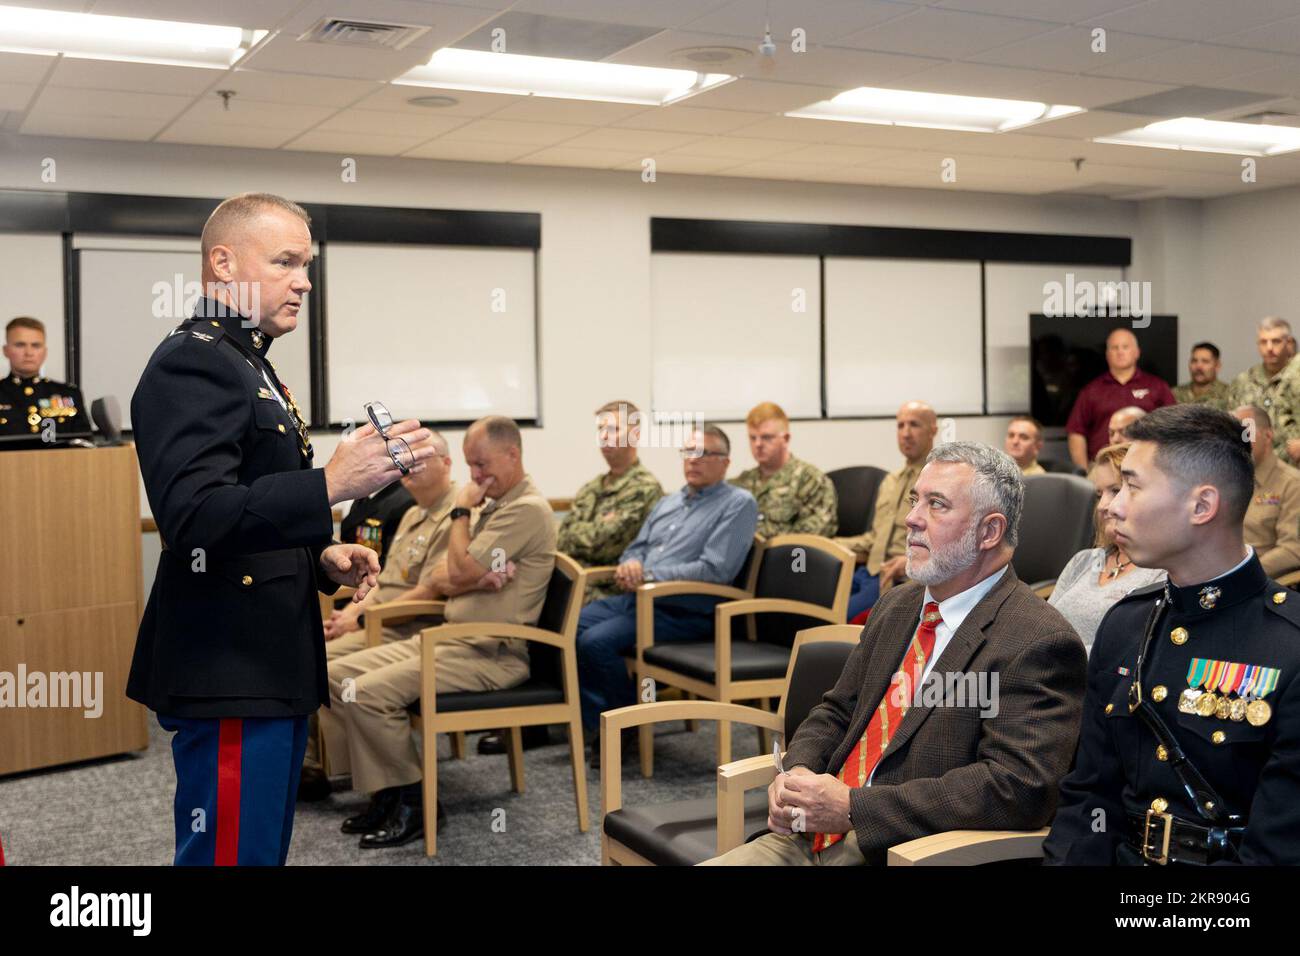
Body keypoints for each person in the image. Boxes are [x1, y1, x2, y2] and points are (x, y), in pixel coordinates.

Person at [127, 192, 435, 866]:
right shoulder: (196, 360)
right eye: (286, 262)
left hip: (269, 654)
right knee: (231, 856)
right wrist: (330, 484)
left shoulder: (249, 361)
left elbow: (246, 506)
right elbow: (194, 519)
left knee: (255, 850)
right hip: (230, 660)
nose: (304, 280)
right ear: (223, 262)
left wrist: (321, 555)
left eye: (308, 264)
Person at [701, 442, 1087, 865]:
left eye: (936, 505)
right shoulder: (898, 606)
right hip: (809, 835)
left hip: (908, 852)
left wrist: (853, 807)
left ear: (989, 531)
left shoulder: (1037, 640)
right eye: (914, 499)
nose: (912, 518)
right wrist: (797, 773)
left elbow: (1015, 788)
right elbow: (837, 711)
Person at [1044, 404, 1300, 865]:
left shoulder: (1289, 644)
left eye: (1132, 487)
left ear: (1202, 506)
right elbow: (1090, 802)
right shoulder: (1126, 624)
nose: (1112, 506)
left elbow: (1278, 850)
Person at [320, 416, 556, 849]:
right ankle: (388, 793)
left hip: (489, 653)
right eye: (471, 466)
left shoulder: (525, 508)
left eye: (482, 465)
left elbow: (459, 569)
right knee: (338, 680)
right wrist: (472, 571)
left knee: (364, 691)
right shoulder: (498, 505)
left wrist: (463, 516)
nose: (476, 477)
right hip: (451, 639)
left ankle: (416, 804)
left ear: (513, 454)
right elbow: (448, 575)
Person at [575, 424, 756, 765]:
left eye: (703, 453)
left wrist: (649, 574)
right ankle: (621, 714)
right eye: (688, 452)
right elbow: (636, 547)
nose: (693, 460)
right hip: (640, 600)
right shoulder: (668, 502)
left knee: (595, 641)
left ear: (726, 462)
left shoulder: (738, 503)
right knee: (573, 624)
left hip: (686, 609)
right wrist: (631, 562)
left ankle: (622, 726)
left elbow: (715, 569)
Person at [299, 431, 456, 798]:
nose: (409, 468)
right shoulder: (416, 512)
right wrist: (352, 612)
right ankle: (339, 772)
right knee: (309, 657)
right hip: (384, 620)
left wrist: (361, 617)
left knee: (332, 673)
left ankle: (374, 784)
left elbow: (429, 590)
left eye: (421, 460)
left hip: (412, 626)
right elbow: (383, 580)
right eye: (407, 460)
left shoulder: (457, 514)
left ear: (447, 464)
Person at [1048, 443, 1166, 653]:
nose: (1103, 506)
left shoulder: (1162, 571)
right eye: (1099, 494)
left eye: (1115, 491)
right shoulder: (1084, 560)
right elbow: (1043, 629)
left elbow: (1135, 653)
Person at [836, 400, 937, 619]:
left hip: (899, 578)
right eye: (900, 426)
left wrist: (912, 561)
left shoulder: (938, 483)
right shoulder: (890, 481)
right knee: (814, 606)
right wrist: (828, 544)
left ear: (933, 431)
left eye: (914, 425)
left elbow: (945, 540)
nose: (906, 433)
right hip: (867, 572)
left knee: (838, 620)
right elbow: (874, 538)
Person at [557, 399, 663, 599]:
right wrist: (591, 530)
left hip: (610, 591)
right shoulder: (591, 488)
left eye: (614, 430)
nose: (604, 436)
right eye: (601, 429)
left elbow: (603, 545)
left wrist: (577, 533)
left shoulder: (644, 487)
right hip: (573, 583)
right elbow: (562, 538)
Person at [1066, 327, 1175, 469]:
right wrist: (1085, 473)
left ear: (1137, 352)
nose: (1120, 352)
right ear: (1107, 354)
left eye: (1125, 347)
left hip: (1147, 466)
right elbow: (1076, 432)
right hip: (1103, 466)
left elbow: (1172, 428)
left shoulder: (1158, 386)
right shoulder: (1091, 390)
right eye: (1114, 348)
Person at [730, 401, 837, 538]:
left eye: (766, 437)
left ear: (786, 439)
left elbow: (814, 538)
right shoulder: (742, 483)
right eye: (752, 438)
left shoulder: (811, 481)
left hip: (789, 558)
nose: (758, 444)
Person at [1232, 405, 1300, 579]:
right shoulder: (1227, 480)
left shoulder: (1292, 484)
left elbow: (1293, 550)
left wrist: (1242, 574)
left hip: (1262, 583)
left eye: (1246, 434)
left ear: (1268, 435)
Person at [0, 316, 87, 438]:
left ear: (45, 352)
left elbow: (84, 444)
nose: (29, 353)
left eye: (36, 345)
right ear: (5, 350)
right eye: (20, 345)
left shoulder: (69, 394)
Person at [1229, 316, 1300, 464]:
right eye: (1263, 342)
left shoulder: (1296, 376)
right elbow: (1232, 423)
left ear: (1288, 343)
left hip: (1294, 467)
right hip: (1255, 467)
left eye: (1276, 341)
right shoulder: (1245, 381)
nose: (1269, 348)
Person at [339, 480, 416, 569]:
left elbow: (395, 559)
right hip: (351, 570)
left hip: (375, 575)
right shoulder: (363, 494)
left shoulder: (405, 500)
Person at [1173, 342, 1231, 410]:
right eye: (1194, 361)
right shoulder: (1174, 394)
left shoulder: (1229, 395)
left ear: (1217, 366)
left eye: (1205, 361)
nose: (1198, 366)